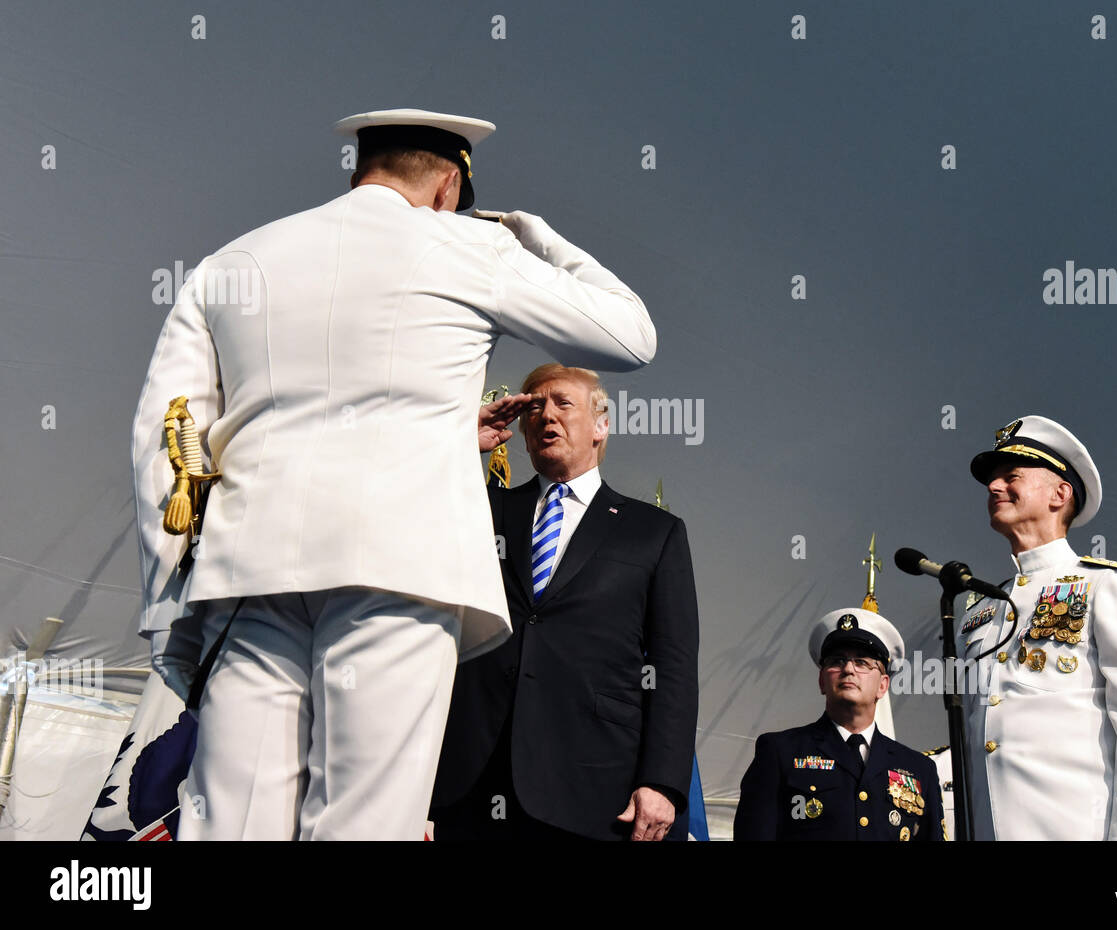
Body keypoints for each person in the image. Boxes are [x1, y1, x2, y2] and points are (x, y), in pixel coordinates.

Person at [130, 109, 656, 840]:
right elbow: (631, 334)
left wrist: (169, 605)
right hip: (402, 568)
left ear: (360, 168)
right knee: (364, 823)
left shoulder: (234, 261)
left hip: (245, 575)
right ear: (449, 185)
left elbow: (169, 431)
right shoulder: (472, 248)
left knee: (230, 823)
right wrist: (534, 235)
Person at [430, 363, 699, 841]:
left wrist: (661, 781)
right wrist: (458, 443)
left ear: (601, 425)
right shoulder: (480, 511)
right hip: (473, 782)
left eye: (562, 403)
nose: (545, 415)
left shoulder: (653, 533)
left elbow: (672, 667)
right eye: (533, 406)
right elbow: (404, 525)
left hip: (593, 787)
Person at [959, 415, 1117, 840]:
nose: (994, 488)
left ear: (1059, 494)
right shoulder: (981, 610)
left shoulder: (1107, 586)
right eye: (992, 480)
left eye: (1012, 476)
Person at [733, 609, 944, 841]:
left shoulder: (919, 768)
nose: (848, 669)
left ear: (883, 685)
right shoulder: (779, 751)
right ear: (822, 680)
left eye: (862, 662)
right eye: (837, 661)